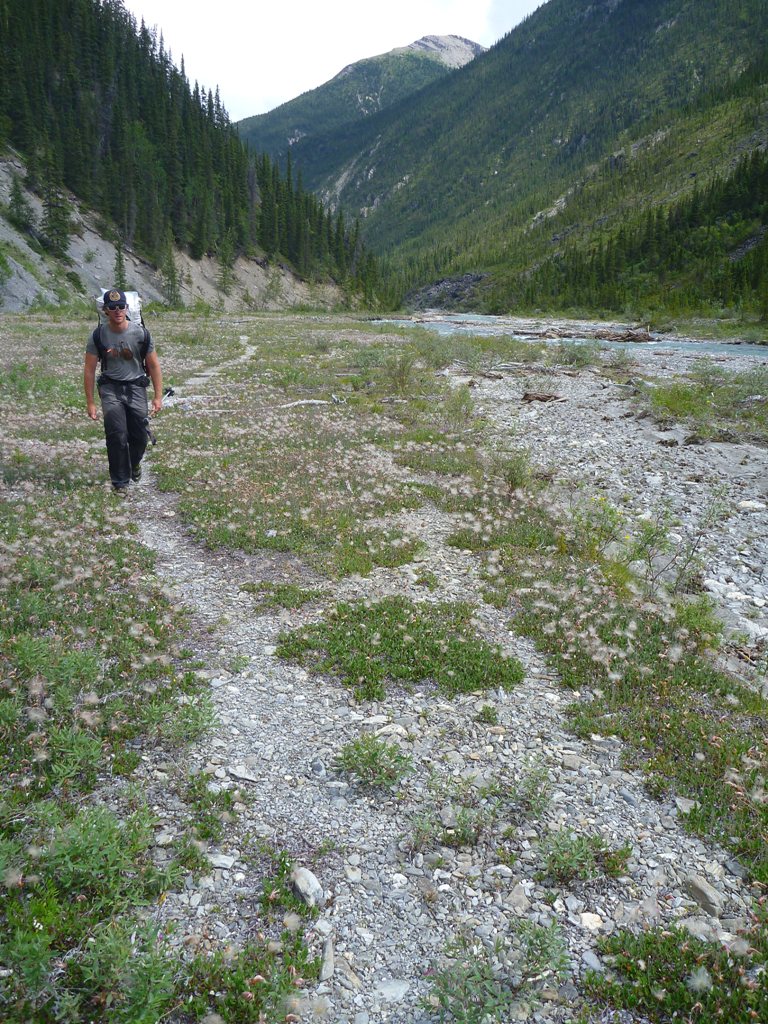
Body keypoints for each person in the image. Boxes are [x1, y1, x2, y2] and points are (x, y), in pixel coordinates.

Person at [84, 288, 163, 494]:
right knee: (116, 434)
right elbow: (89, 370)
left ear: (127, 308)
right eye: (113, 308)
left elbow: (153, 365)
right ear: (106, 310)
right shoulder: (97, 336)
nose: (117, 311)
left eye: (121, 307)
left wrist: (157, 396)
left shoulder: (141, 334)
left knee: (139, 436)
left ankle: (134, 463)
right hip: (110, 388)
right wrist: (91, 402)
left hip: (136, 387)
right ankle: (120, 482)